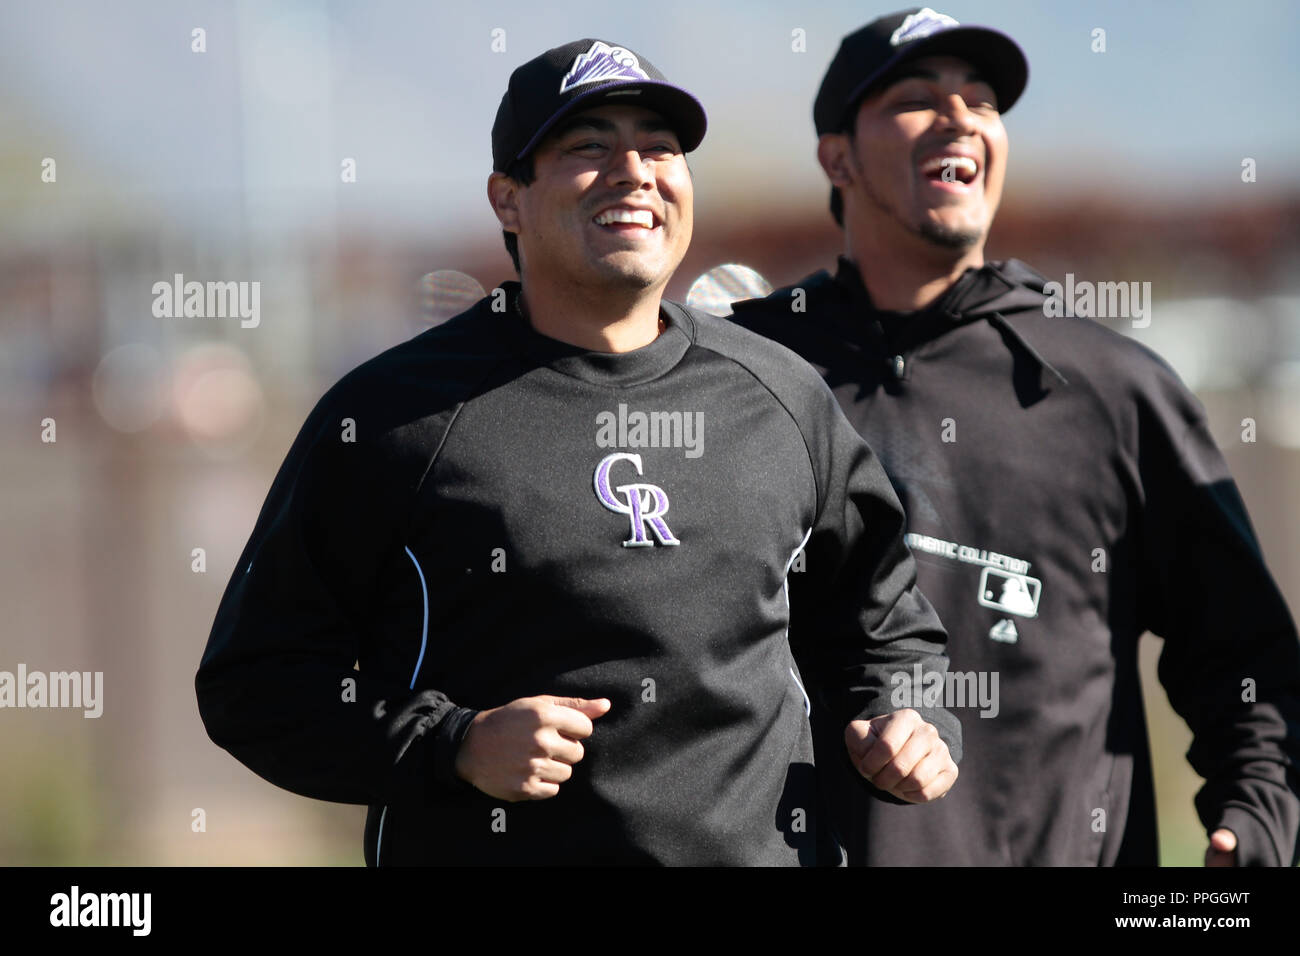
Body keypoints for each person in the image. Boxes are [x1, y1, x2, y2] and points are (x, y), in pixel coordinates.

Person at [195, 37, 961, 866]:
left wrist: (908, 715)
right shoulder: (393, 417)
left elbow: (885, 630)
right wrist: (452, 743)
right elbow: (257, 685)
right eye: (589, 146)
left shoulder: (782, 396)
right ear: (508, 199)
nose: (635, 171)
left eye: (660, 147)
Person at [731, 7, 1300, 866]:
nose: (961, 117)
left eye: (984, 101)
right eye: (918, 98)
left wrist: (1252, 821)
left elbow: (1246, 659)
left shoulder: (1112, 387)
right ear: (836, 156)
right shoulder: (748, 374)